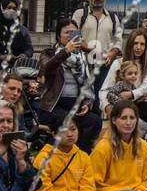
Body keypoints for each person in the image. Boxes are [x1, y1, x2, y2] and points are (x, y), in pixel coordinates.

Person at [36, 20, 100, 150]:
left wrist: (87, 103)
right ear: (59, 36)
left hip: (75, 104)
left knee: (95, 121)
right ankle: (61, 155)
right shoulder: (48, 53)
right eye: (67, 32)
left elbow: (88, 84)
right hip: (54, 105)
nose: (71, 35)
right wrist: (65, 52)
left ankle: (80, 154)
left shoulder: (82, 57)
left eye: (74, 32)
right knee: (67, 121)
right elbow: (46, 69)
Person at [98, 30, 147, 112]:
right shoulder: (118, 63)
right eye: (135, 43)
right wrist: (107, 107)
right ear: (130, 44)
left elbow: (145, 88)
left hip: (143, 105)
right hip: (121, 107)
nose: (138, 47)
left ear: (146, 47)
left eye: (142, 44)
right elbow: (105, 90)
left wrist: (131, 94)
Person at [71, 0, 121, 64]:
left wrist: (112, 53)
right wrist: (90, 49)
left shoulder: (113, 18)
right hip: (83, 63)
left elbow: (118, 41)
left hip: (105, 64)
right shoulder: (79, 14)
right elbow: (74, 36)